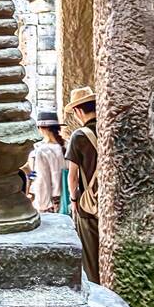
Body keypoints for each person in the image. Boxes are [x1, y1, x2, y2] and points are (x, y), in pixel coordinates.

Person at [64, 84, 100, 284]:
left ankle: (97, 288)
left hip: (88, 202)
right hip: (110, 201)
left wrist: (73, 199)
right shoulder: (107, 129)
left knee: (90, 255)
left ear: (78, 111)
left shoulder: (78, 136)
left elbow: (72, 175)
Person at [29, 110, 67, 214]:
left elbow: (42, 180)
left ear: (41, 128)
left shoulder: (43, 150)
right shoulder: (65, 146)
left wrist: (42, 205)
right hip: (65, 199)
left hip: (49, 202)